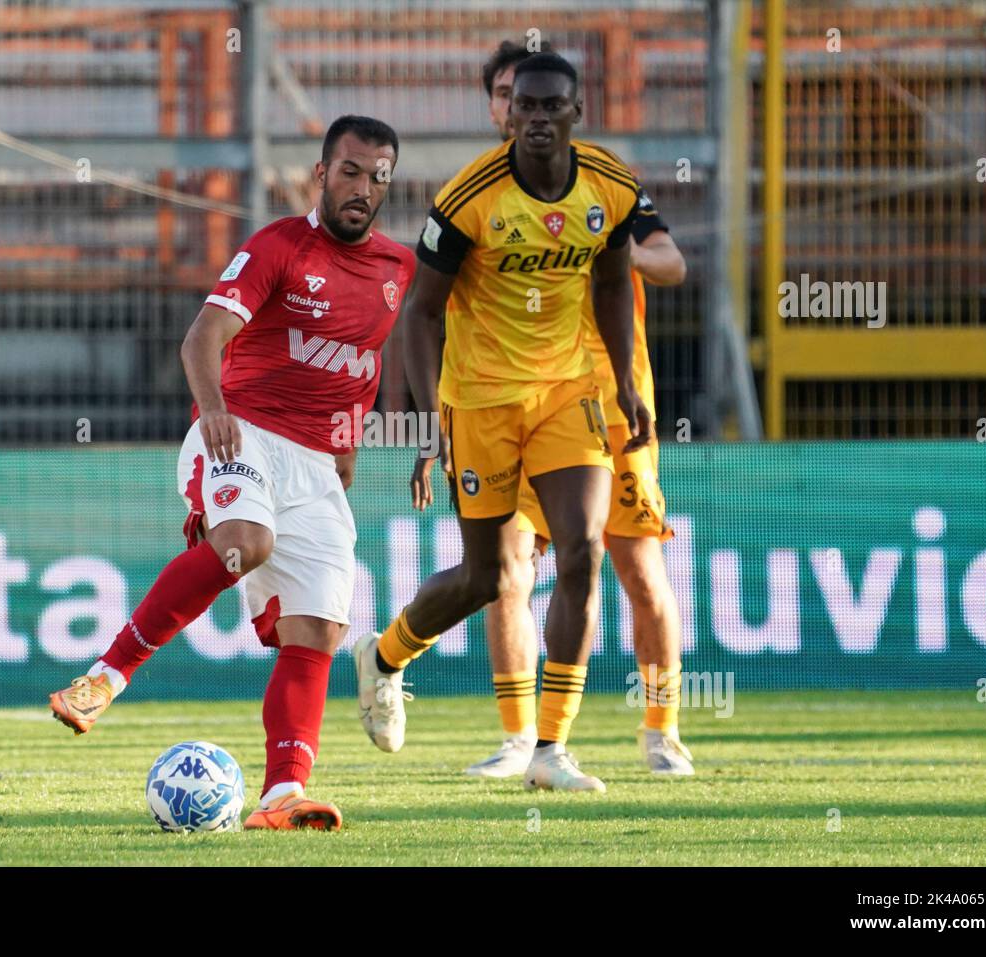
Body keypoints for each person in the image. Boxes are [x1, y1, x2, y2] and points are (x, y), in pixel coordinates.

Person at [49, 115, 415, 830]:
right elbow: (202, 337)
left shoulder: (396, 270)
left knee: (319, 628)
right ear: (320, 173)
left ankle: (283, 793)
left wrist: (347, 451)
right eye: (350, 171)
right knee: (246, 537)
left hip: (316, 463)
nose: (363, 188)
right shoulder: (279, 246)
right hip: (239, 430)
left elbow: (361, 364)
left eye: (378, 178)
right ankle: (105, 676)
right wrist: (213, 409)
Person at [353, 53, 650, 792]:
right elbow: (419, 313)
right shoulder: (468, 198)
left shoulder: (610, 187)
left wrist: (622, 381)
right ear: (507, 113)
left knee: (581, 553)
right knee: (491, 576)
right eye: (526, 106)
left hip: (566, 392)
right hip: (480, 399)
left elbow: (613, 283)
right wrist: (431, 424)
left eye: (554, 106)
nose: (539, 118)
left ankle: (550, 749)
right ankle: (385, 654)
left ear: (576, 113)